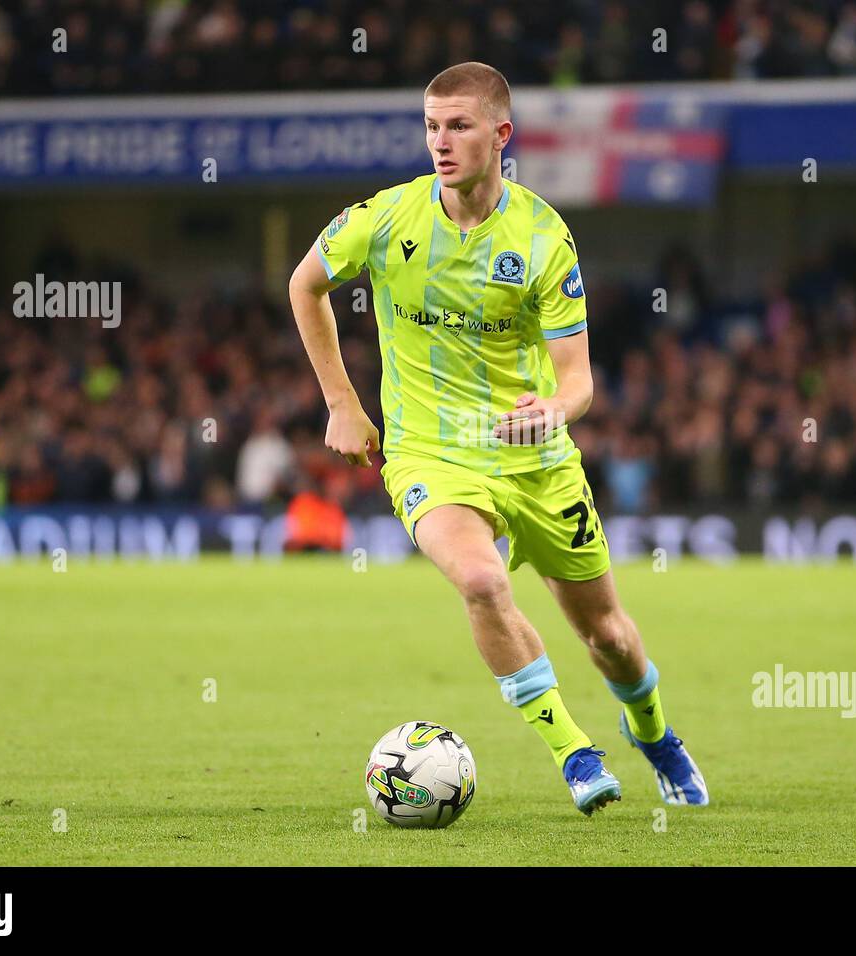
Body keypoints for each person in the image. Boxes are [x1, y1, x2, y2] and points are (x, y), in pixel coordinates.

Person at [287, 62, 707, 814]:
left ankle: (655, 733)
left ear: (501, 134)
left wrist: (554, 410)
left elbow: (579, 379)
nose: (440, 143)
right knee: (481, 582)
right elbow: (304, 284)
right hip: (430, 454)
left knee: (608, 635)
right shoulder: (386, 217)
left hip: (535, 460)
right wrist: (341, 402)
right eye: (430, 126)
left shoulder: (544, 237)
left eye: (459, 126)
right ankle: (574, 751)